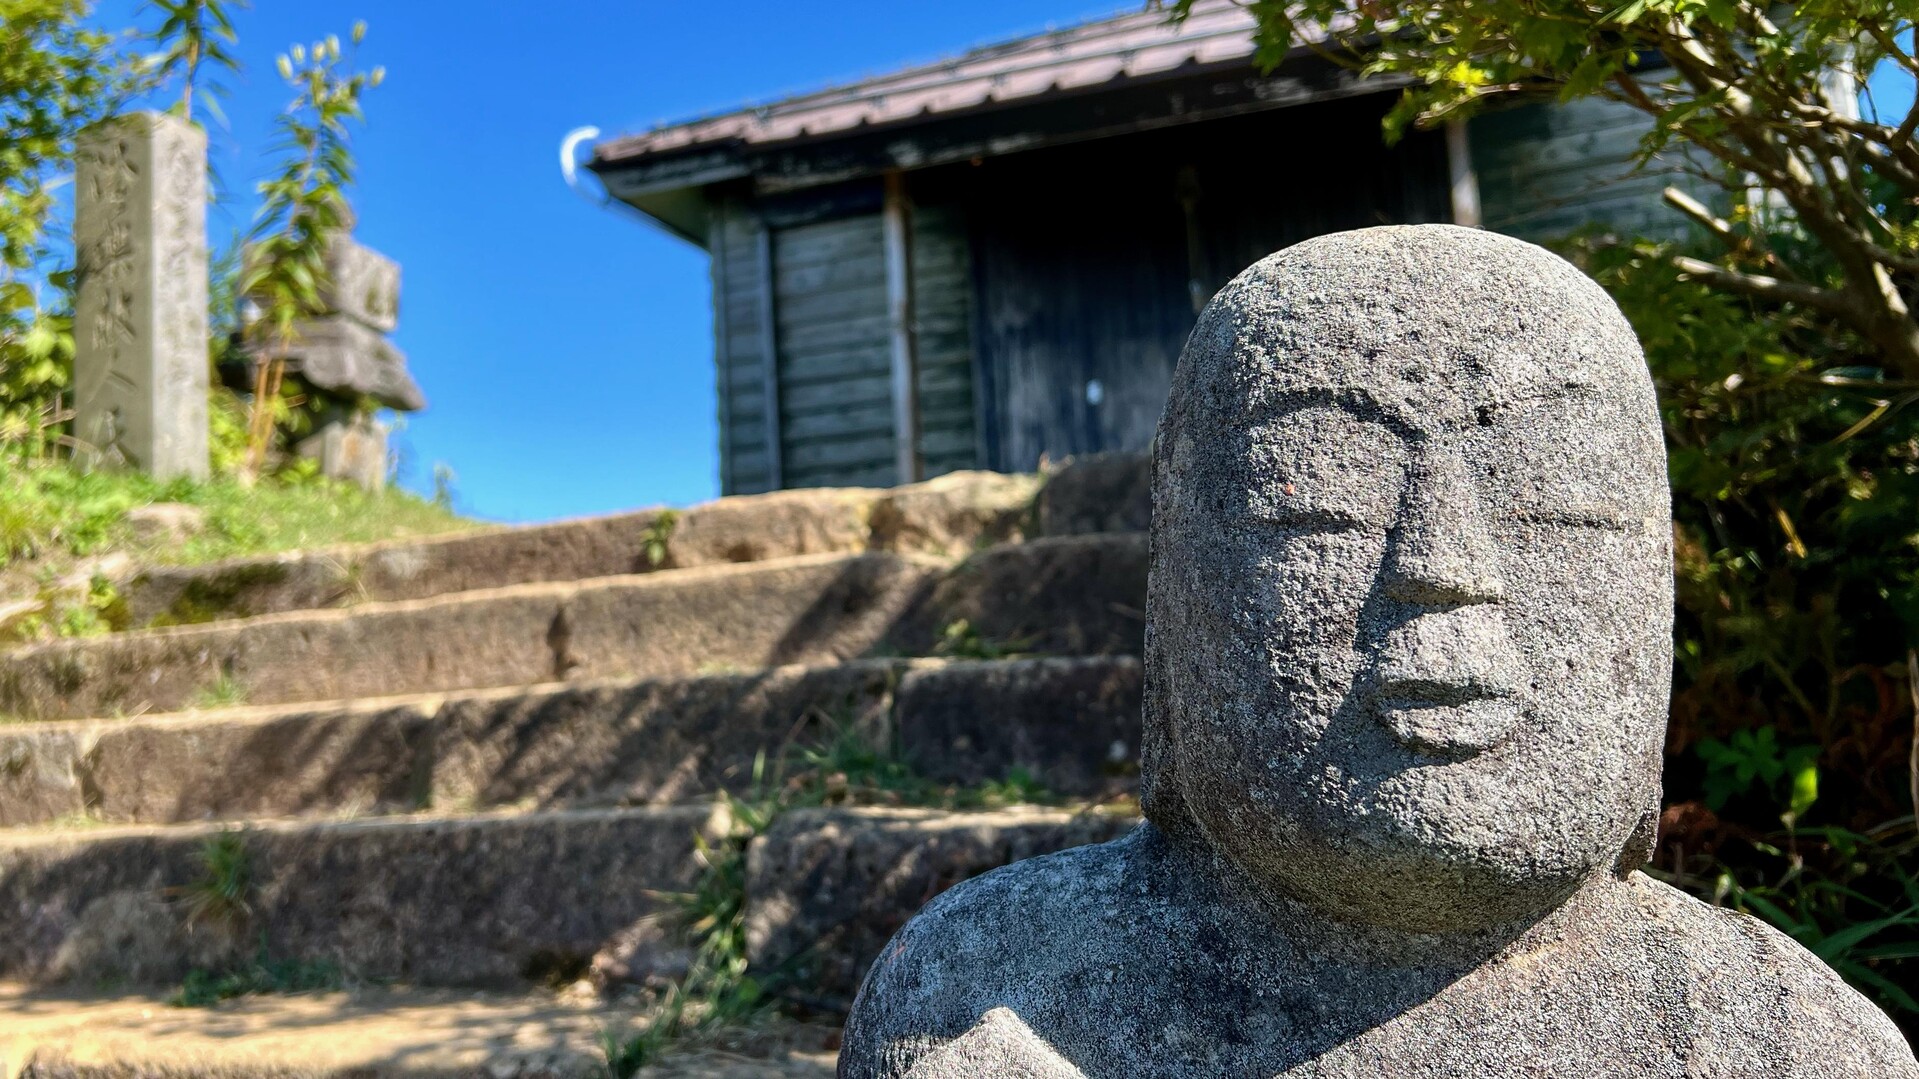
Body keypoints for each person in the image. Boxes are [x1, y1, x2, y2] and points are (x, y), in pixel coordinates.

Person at [837, 225, 1919, 1078]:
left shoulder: (1791, 1042)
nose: (1443, 564)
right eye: (1318, 498)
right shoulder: (984, 1004)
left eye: (1558, 499)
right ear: (1173, 600)